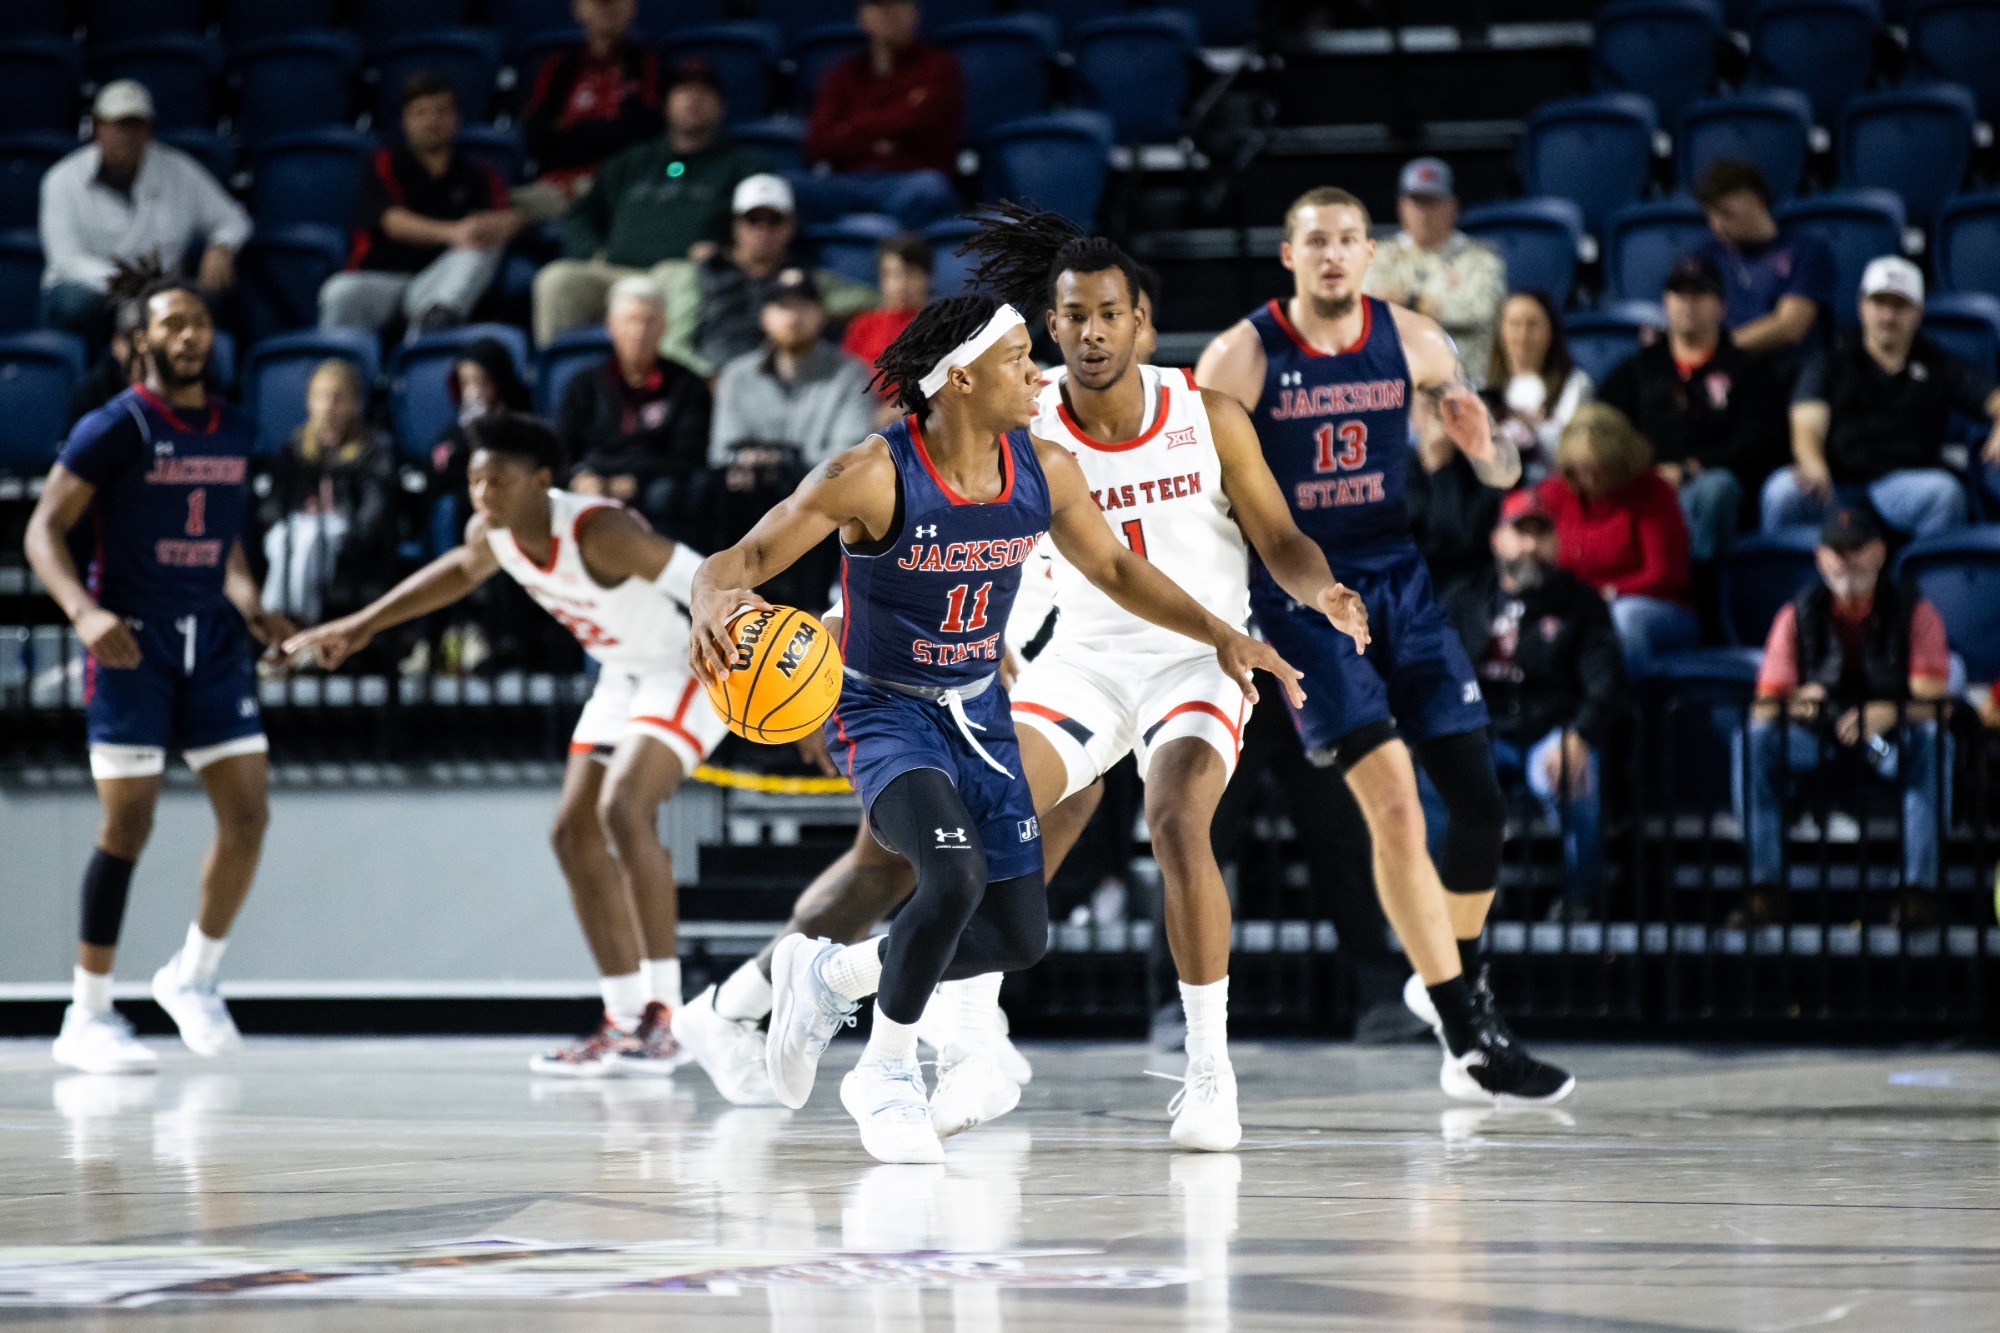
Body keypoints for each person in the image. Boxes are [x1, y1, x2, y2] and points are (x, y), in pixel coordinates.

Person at [685, 293, 1304, 1163]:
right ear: (962, 379)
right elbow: (742, 559)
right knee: (951, 874)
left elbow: (1120, 567)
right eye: (1019, 358)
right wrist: (711, 595)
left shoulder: (1044, 468)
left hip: (978, 706)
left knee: (1019, 934)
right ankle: (887, 1071)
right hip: (886, 710)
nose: (1037, 371)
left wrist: (1223, 634)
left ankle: (829, 974)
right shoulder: (871, 471)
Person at [1196, 185, 1574, 1106]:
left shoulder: (1415, 338)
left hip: (1401, 579)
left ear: (1373, 253)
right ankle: (1467, 1031)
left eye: (1348, 240)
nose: (1332, 254)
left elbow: (1505, 468)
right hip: (1300, 594)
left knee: (1480, 805)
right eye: (1315, 240)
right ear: (1288, 255)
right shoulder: (1242, 357)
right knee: (1396, 805)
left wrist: (1488, 451)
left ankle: (1454, 979)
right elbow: (1205, 500)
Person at [285, 413, 729, 1077]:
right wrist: (361, 625)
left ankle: (666, 1017)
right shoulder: (491, 532)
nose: (483, 491)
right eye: (474, 478)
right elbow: (458, 573)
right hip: (621, 674)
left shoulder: (598, 531)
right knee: (571, 833)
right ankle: (621, 1016)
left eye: (498, 478)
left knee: (623, 810)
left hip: (686, 666)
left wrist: (779, 679)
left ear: (541, 481)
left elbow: (705, 578)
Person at [22, 278, 294, 1074]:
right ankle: (89, 1008)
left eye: (200, 321)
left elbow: (226, 538)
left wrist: (249, 603)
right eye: (173, 323)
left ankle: (195, 976)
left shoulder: (235, 425)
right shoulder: (116, 425)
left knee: (249, 813)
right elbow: (44, 530)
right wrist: (84, 613)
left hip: (210, 640)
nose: (190, 335)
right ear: (142, 339)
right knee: (128, 824)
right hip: (130, 644)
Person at [1734, 506, 1951, 924]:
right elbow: (1765, 703)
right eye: (1837, 550)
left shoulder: (1914, 610)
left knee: (1934, 742)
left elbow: (1935, 700)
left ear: (1880, 553)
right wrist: (1800, 700)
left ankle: (1918, 891)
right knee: (1754, 741)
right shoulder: (1797, 613)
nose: (1847, 560)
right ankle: (1765, 889)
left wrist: (1890, 712)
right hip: (1816, 738)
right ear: (1820, 558)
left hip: (1885, 741)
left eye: (1858, 549)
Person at [1445, 492, 1626, 914]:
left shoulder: (1581, 605)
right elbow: (1432, 675)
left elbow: (1606, 682)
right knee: (1433, 773)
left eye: (1540, 534)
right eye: (1519, 533)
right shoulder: (1464, 601)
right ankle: (1463, 896)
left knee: (1576, 772)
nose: (1529, 546)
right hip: (1483, 736)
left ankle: (1583, 898)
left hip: (1550, 732)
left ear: (1556, 543)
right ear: (1496, 540)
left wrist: (1580, 735)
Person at [533, 58, 767, 346]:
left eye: (704, 92)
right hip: (616, 271)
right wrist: (593, 252)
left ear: (722, 107)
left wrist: (729, 254)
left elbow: (771, 220)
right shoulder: (631, 161)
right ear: (666, 104)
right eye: (682, 91)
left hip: (681, 276)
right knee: (556, 279)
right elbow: (578, 215)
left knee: (678, 279)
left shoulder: (743, 165)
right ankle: (562, 380)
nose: (693, 99)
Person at [1762, 256, 2000, 538]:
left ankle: (1926, 580)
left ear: (1918, 312)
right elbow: (1806, 423)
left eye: (1900, 306)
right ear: (1862, 307)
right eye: (1879, 303)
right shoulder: (1832, 359)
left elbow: (1991, 396)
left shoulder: (1937, 362)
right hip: (1835, 484)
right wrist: (1812, 461)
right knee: (1781, 491)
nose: (1888, 316)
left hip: (1903, 485)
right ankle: (1796, 579)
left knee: (1944, 493)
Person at [1598, 253, 1787, 567]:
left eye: (1699, 294)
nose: (1687, 302)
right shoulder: (1639, 368)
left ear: (1721, 306)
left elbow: (1760, 442)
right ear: (1666, 302)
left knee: (1716, 488)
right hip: (1648, 484)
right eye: (1678, 293)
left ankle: (1700, 591)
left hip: (1718, 491)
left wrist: (1692, 468)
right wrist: (1645, 473)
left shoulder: (1746, 368)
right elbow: (1604, 426)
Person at [39, 81, 250, 353]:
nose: (128, 136)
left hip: (160, 296)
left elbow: (234, 218)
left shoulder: (178, 171)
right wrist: (136, 286)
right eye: (119, 125)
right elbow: (67, 261)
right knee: (77, 305)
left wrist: (221, 246)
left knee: (210, 299)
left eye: (136, 126)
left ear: (149, 130)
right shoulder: (61, 179)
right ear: (98, 128)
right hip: (90, 294)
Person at [320, 74, 520, 337]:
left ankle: (430, 339)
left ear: (456, 118)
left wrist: (495, 226)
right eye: (421, 113)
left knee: (480, 249)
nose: (431, 121)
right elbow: (392, 222)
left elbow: (505, 220)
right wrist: (455, 232)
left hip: (439, 282)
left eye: (441, 111)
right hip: (383, 278)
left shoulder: (480, 174)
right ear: (405, 121)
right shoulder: (383, 164)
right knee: (338, 291)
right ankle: (338, 371)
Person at [661, 173, 877, 377]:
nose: (763, 230)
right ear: (736, 224)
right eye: (753, 219)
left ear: (790, 224)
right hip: (705, 391)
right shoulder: (702, 273)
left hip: (784, 392)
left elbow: (873, 300)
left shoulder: (805, 278)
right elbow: (674, 345)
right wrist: (707, 379)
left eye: (774, 220)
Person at [1535, 403, 1697, 672]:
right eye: (1580, 470)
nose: (1589, 479)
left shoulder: (1652, 492)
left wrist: (1611, 593)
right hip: (1579, 606)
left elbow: (1664, 574)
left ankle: (1634, 705)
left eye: (1598, 469)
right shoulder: (1555, 494)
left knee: (1622, 617)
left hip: (1655, 606)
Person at [255, 359, 399, 628]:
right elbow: (274, 499)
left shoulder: (371, 447)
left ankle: (292, 626)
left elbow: (375, 504)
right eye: (320, 396)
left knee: (311, 537)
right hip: (297, 524)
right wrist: (276, 519)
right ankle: (280, 623)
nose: (328, 406)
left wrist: (355, 531)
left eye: (338, 397)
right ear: (309, 401)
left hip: (343, 527)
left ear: (356, 402)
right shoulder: (296, 446)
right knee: (284, 539)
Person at [561, 277, 711, 531]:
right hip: (591, 484)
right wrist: (580, 476)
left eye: (649, 321)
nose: (639, 331)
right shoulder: (583, 384)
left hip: (657, 489)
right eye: (631, 320)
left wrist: (632, 481)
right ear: (611, 326)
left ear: (663, 327)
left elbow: (690, 458)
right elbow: (563, 450)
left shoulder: (688, 386)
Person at [799, 0, 962, 229]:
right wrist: (889, 131)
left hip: (908, 180)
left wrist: (851, 127)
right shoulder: (841, 74)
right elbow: (818, 143)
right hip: (847, 184)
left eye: (898, 5)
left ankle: (901, 255)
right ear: (862, 16)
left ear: (915, 12)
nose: (889, 14)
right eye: (879, 6)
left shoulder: (939, 67)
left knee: (931, 189)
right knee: (787, 187)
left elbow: (920, 123)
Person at [1360, 157, 1506, 389]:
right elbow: (1366, 309)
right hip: (1395, 385)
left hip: (1467, 384)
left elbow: (1479, 310)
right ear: (1402, 206)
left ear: (1453, 205)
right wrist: (1433, 307)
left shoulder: (1480, 260)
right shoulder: (1379, 257)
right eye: (1416, 201)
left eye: (1433, 202)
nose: (1424, 212)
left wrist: (1409, 301)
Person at [515, 0, 664, 225]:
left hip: (622, 186)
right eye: (598, 2)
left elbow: (643, 131)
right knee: (493, 208)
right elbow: (535, 134)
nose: (607, 7)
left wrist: (568, 128)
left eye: (615, 2)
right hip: (554, 185)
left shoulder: (648, 66)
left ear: (632, 7)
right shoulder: (557, 69)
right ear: (577, 9)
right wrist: (607, 130)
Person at [1691, 158, 1834, 385]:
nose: (1717, 225)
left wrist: (1718, 350)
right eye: (1711, 215)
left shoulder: (1806, 250)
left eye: (1726, 214)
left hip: (1793, 367)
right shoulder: (1707, 254)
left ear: (1757, 201)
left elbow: (1791, 325)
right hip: (1730, 372)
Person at [1485, 289, 1591, 471]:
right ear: (1500, 331)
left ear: (1551, 331)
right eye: (1514, 324)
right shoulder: (1482, 383)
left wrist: (1527, 423)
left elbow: (1570, 456)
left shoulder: (1575, 385)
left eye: (1532, 325)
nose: (1522, 336)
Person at [843, 233, 932, 425]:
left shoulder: (942, 324)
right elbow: (845, 381)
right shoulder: (862, 326)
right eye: (889, 275)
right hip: (863, 421)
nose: (899, 284)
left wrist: (902, 407)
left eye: (908, 273)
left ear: (926, 276)